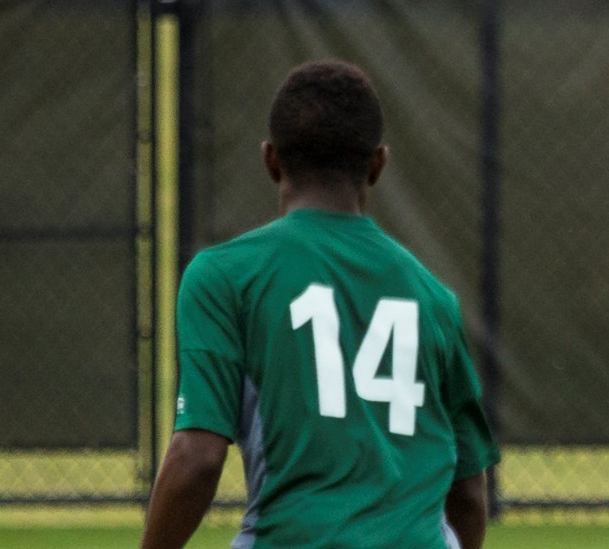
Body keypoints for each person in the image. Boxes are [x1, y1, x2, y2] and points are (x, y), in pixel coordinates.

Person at [143, 61, 498, 549]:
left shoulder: (225, 276)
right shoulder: (433, 297)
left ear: (271, 160)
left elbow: (198, 460)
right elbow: (469, 492)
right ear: (377, 165)